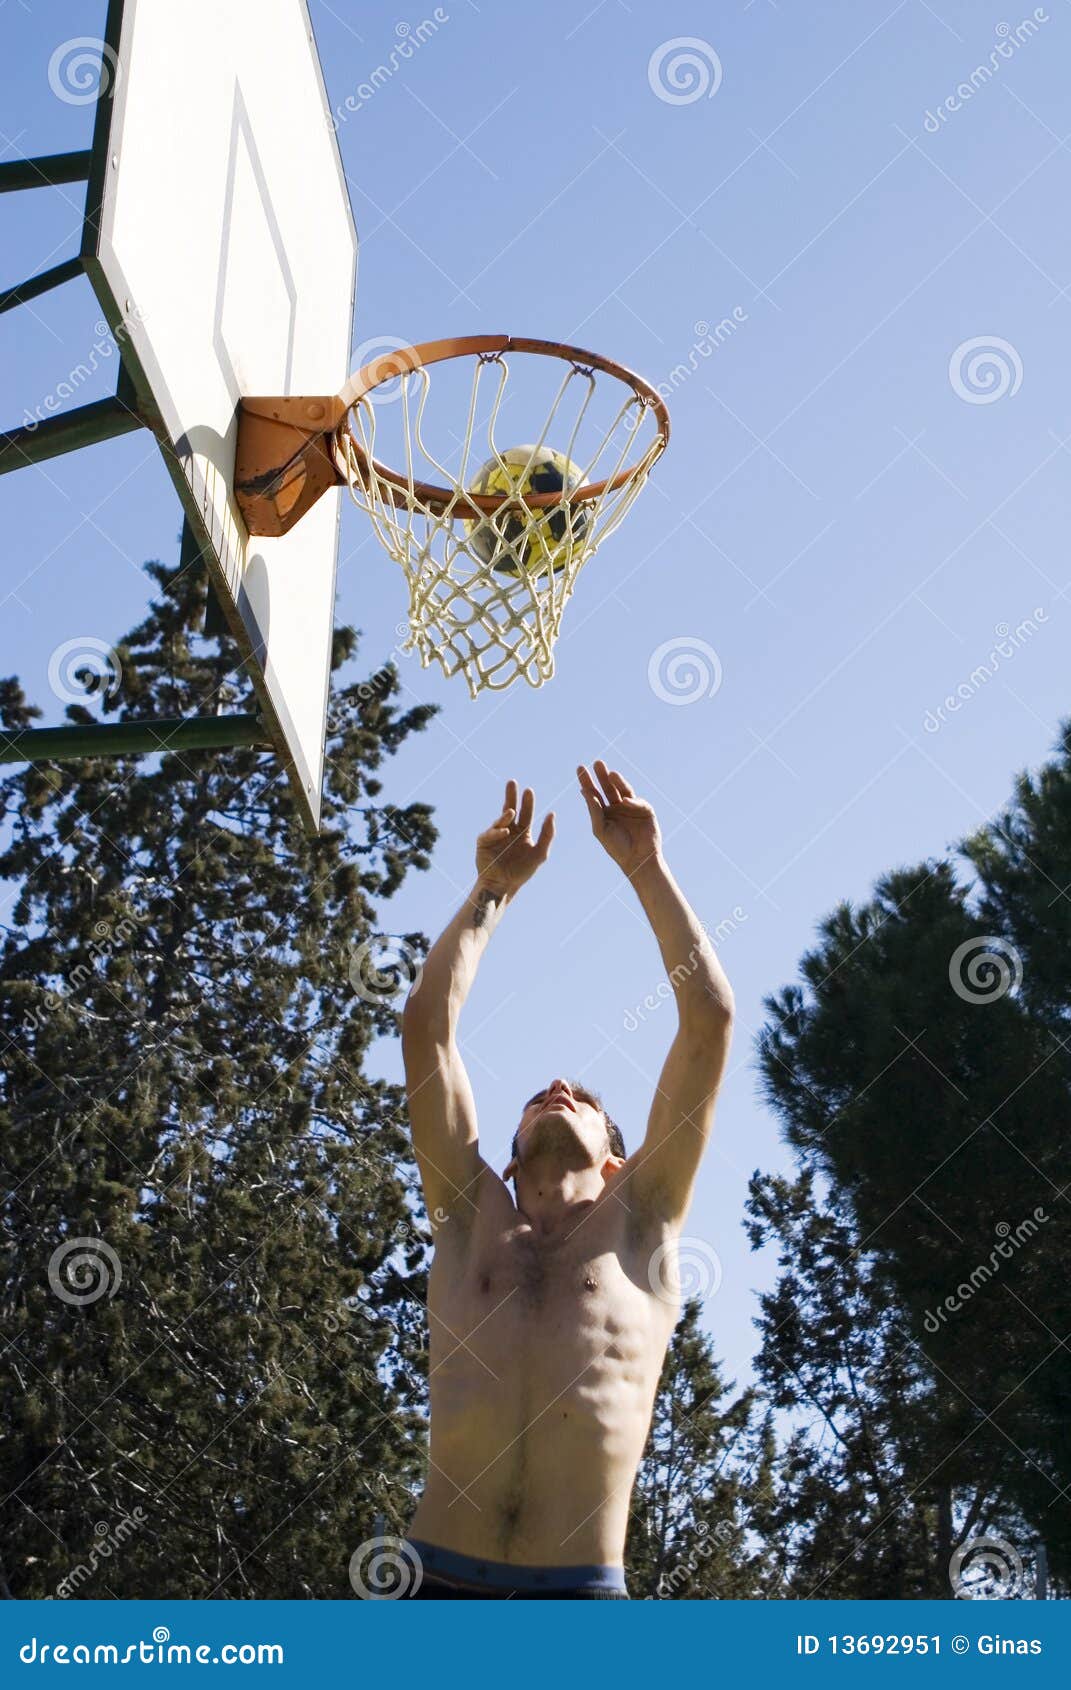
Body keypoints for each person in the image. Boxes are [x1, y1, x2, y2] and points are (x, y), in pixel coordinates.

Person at [397, 760, 734, 1598]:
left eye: (582, 1098)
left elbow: (709, 1020)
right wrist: (490, 894)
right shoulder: (469, 1211)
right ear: (509, 1154)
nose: (559, 1087)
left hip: (580, 1595)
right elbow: (427, 1035)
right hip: (431, 1582)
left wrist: (644, 866)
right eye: (541, 1096)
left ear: (616, 1160)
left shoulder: (643, 1220)